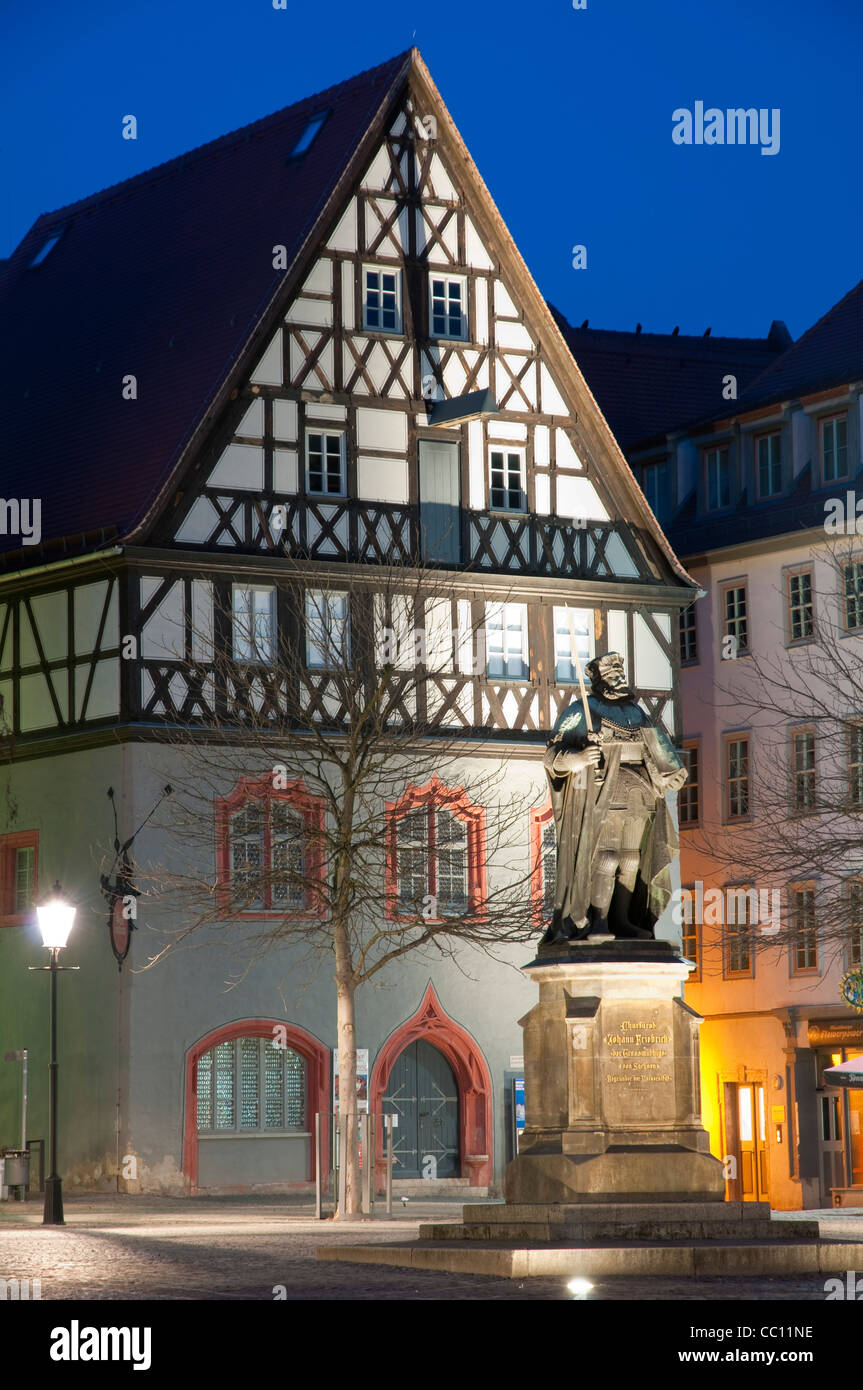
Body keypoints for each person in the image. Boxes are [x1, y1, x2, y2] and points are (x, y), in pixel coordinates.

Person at [542, 651, 687, 943]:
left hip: (640, 795)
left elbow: (657, 749)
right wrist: (579, 757)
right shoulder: (582, 711)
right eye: (612, 675)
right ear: (600, 681)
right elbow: (552, 756)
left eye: (620, 673)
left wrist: (671, 772)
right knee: (607, 859)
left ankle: (623, 920)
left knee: (632, 860)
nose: (619, 678)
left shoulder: (637, 713)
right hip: (602, 796)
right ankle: (599, 921)